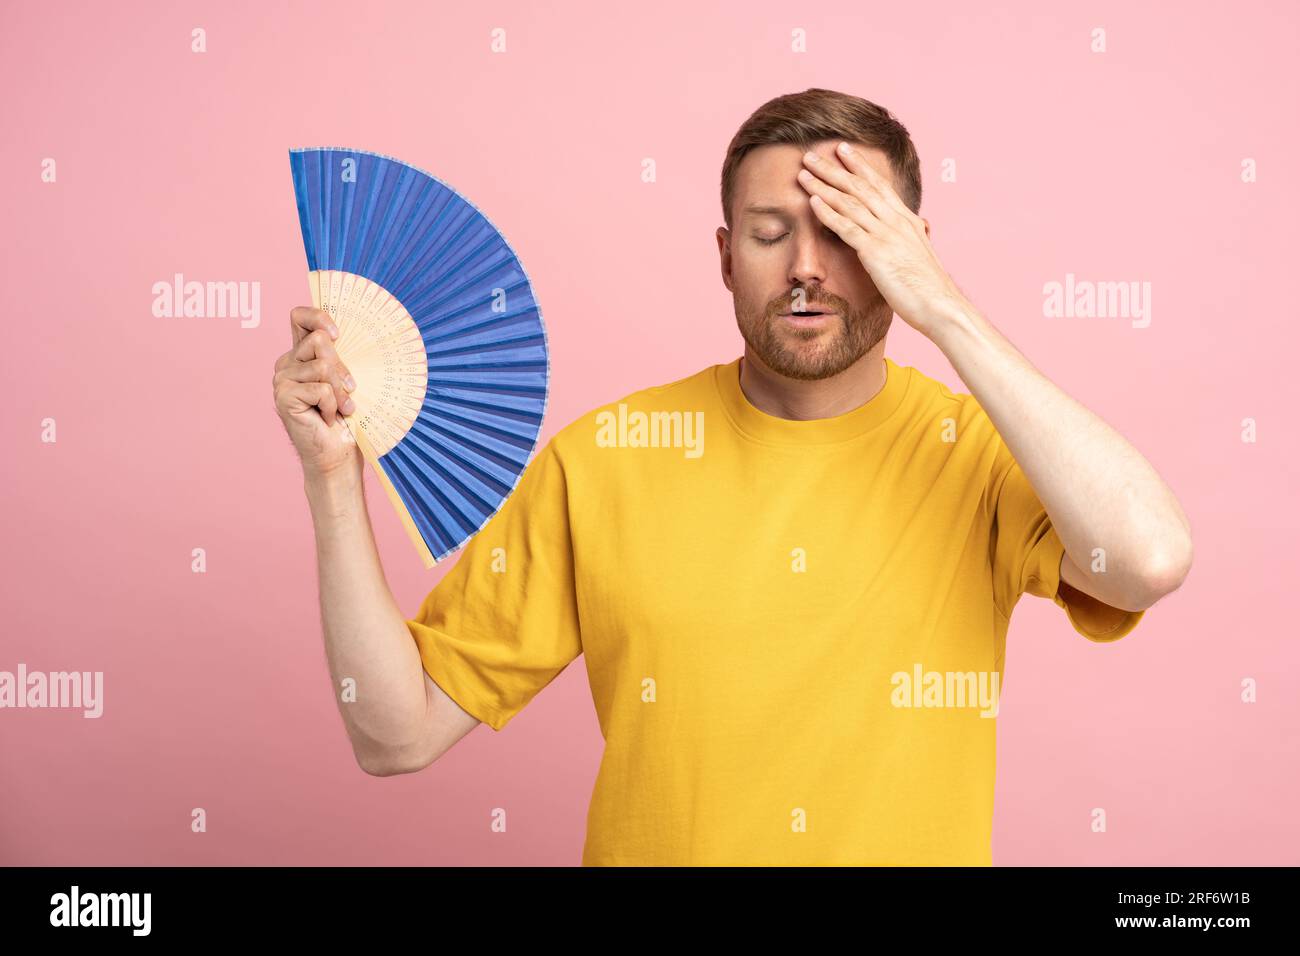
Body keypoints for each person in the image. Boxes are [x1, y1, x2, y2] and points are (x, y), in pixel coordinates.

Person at [271, 88, 1192, 866]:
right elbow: (395, 733)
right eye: (769, 234)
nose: (806, 270)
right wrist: (331, 480)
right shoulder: (609, 458)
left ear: (908, 249)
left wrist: (942, 305)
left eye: (847, 233)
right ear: (723, 257)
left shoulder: (978, 457)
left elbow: (1148, 557)